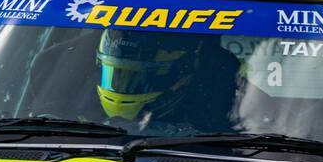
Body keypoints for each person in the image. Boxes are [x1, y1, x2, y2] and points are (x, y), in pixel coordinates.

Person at [94, 28, 240, 132]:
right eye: (115, 73)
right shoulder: (79, 112)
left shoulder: (217, 104)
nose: (121, 85)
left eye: (142, 80)